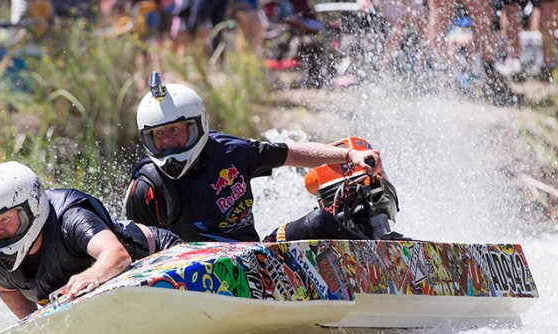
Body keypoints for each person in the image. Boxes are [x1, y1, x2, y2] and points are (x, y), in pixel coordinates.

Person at [123, 73, 401, 243]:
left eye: (174, 130)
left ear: (197, 125)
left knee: (319, 222)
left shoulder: (231, 151)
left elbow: (291, 153)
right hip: (191, 279)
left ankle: (382, 254)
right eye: (158, 134)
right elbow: (138, 247)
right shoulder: (146, 188)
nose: (167, 141)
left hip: (257, 263)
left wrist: (350, 154)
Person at [0, 161, 181, 319]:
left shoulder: (71, 218)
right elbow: (5, 289)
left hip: (165, 257)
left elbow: (117, 255)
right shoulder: (2, 255)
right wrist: (31, 324)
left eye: (4, 219)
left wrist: (92, 276)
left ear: (31, 208)